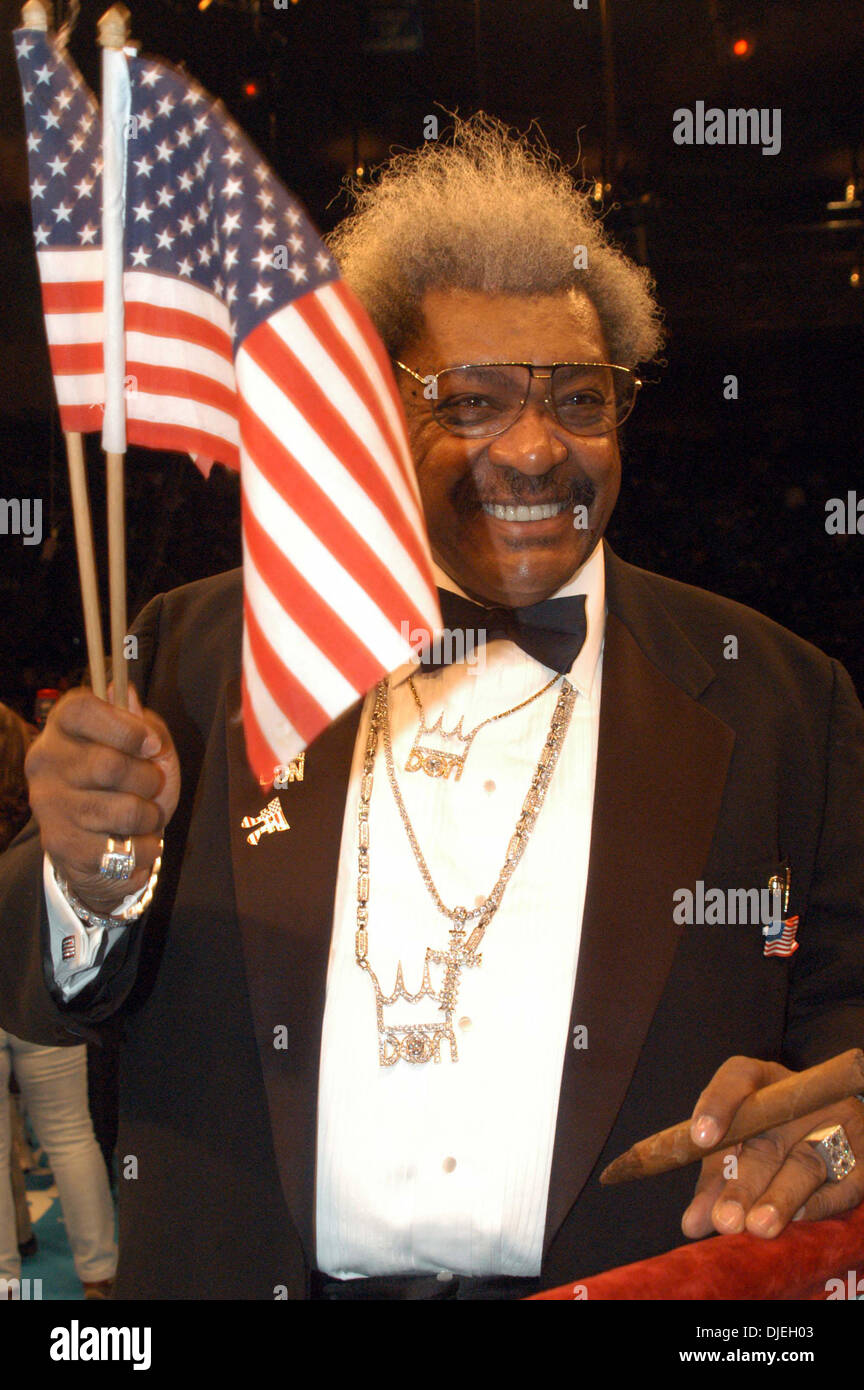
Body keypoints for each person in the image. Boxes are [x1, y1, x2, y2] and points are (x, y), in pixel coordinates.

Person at [1, 116, 862, 1300]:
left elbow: (848, 1027)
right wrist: (85, 889)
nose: (534, 448)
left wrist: (839, 1131)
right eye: (471, 402)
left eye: (579, 397)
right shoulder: (198, 655)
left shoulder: (783, 699)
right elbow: (53, 989)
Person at [0, 702, 117, 1299]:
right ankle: (100, 1273)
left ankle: (7, 1282)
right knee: (71, 1133)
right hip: (40, 993)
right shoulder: (45, 819)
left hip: (37, 995)